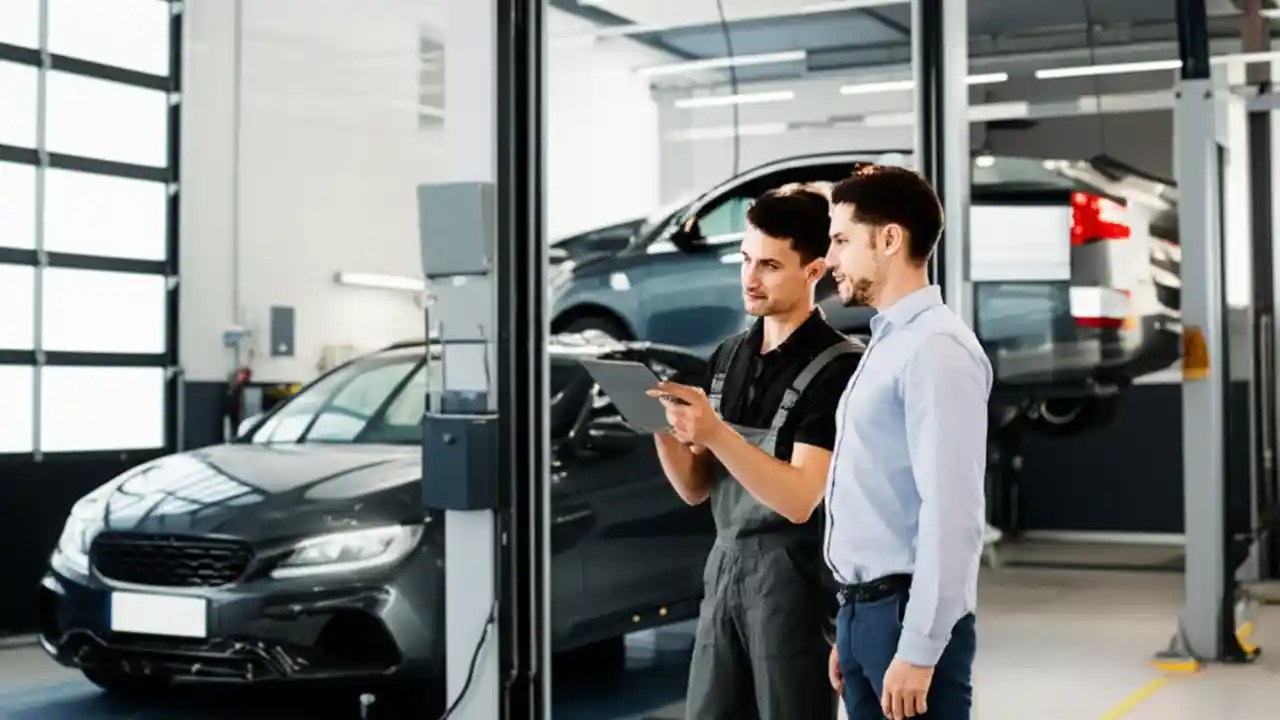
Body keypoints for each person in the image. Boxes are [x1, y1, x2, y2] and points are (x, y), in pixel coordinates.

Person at [647, 185, 861, 720]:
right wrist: (661, 427)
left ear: (814, 270)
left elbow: (798, 498)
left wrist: (717, 432)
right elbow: (697, 489)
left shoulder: (838, 367)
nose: (750, 277)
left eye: (769, 264)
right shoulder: (728, 357)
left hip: (793, 578)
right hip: (723, 567)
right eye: (745, 259)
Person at [821, 164, 992, 720]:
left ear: (890, 239)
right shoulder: (889, 343)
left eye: (842, 239)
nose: (830, 259)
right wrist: (848, 630)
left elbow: (953, 513)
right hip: (866, 617)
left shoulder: (937, 349)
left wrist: (918, 648)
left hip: (905, 618)